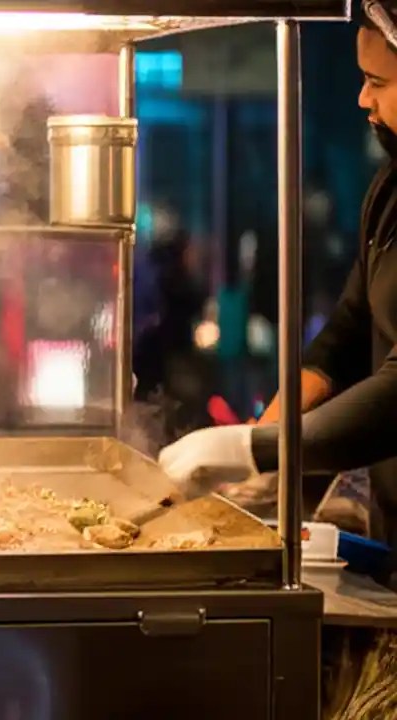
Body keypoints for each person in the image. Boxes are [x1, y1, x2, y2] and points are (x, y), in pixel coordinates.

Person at [158, 1, 397, 557]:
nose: (363, 98)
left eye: (378, 81)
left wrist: (256, 447)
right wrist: (261, 452)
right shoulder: (388, 191)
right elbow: (346, 335)